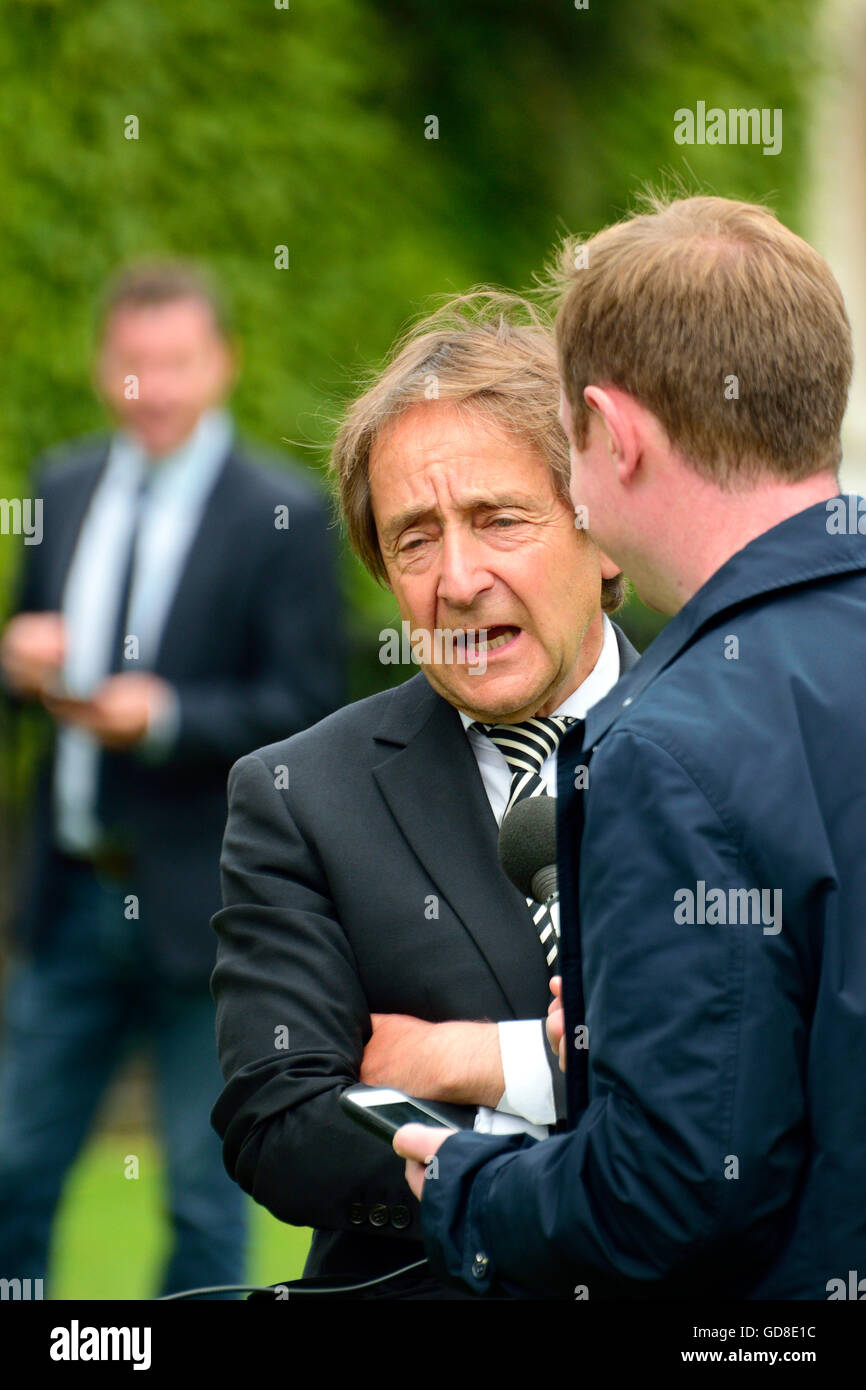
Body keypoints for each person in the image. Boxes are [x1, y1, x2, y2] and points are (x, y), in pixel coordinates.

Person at [395, 195, 866, 1301]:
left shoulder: (667, 747)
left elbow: (675, 1196)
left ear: (613, 432)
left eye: (565, 439)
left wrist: (467, 1189)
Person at [209, 291, 638, 1299]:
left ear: (604, 529)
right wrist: (567, 1129)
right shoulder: (297, 794)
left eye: (497, 518)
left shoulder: (739, 747)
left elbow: (776, 1090)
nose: (456, 576)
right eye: (412, 538)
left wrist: (485, 1065)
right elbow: (281, 1125)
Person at [0, 260, 344, 1298]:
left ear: (222, 364)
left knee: (202, 1188)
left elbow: (304, 705)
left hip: (212, 905)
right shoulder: (59, 487)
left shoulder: (282, 513)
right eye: (132, 362)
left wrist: (171, 716)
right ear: (104, 366)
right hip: (69, 894)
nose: (152, 387)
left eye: (176, 362)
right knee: (14, 1167)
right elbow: (24, 682)